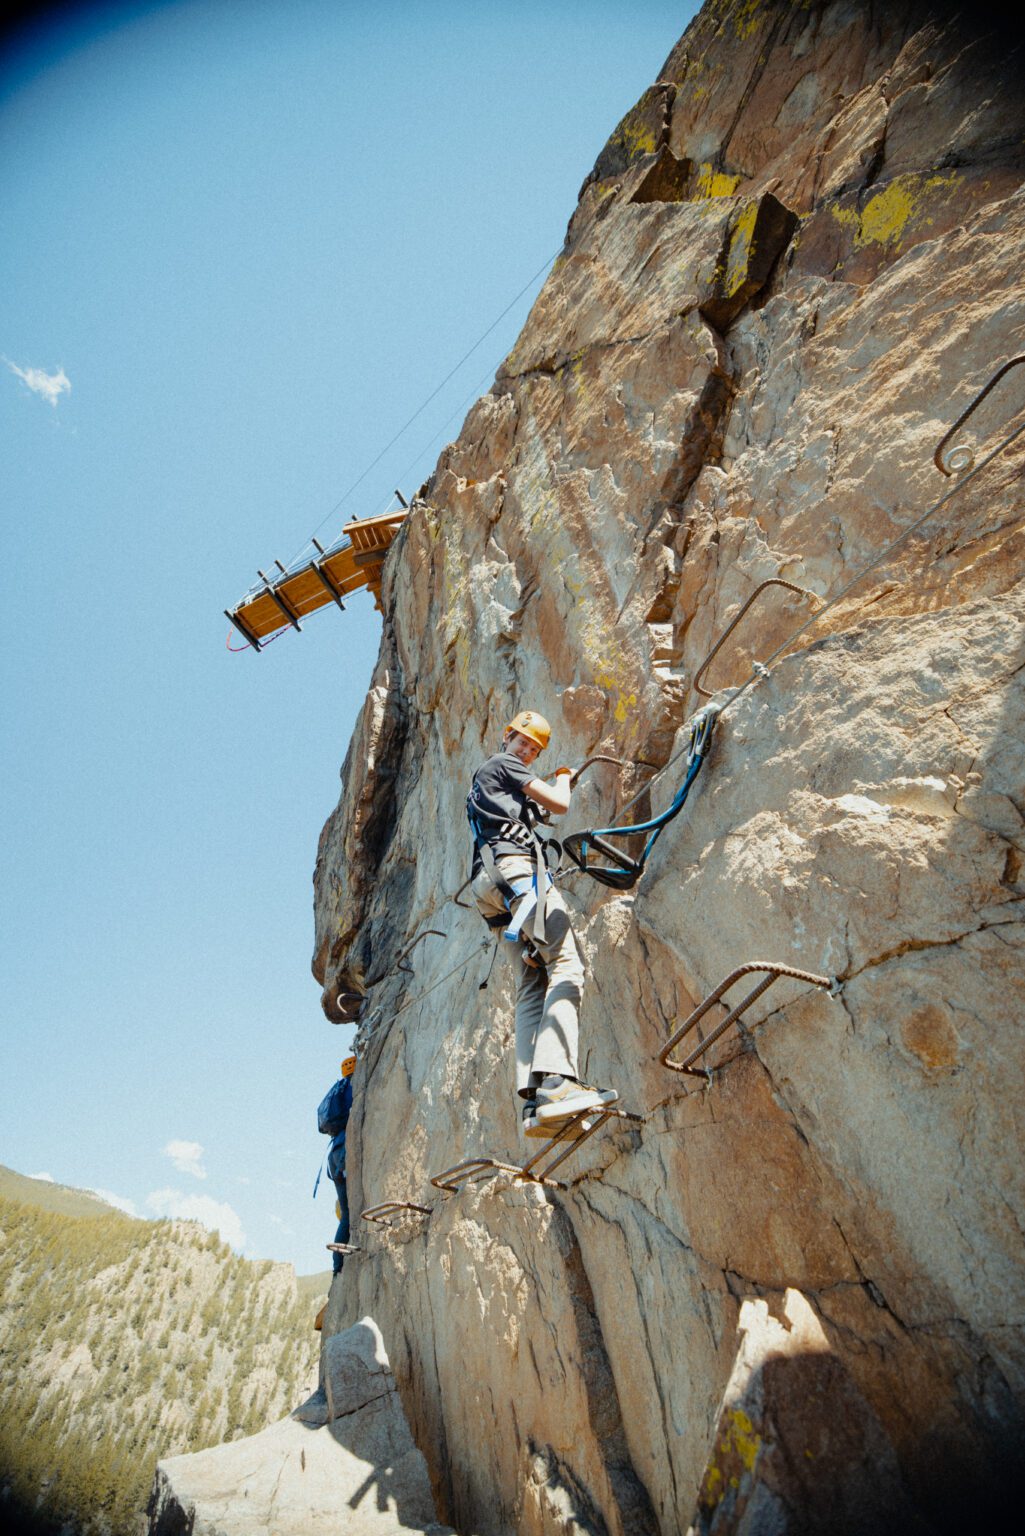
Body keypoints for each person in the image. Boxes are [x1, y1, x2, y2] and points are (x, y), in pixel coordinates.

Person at [467, 709, 617, 1136]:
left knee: (532, 980)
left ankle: (534, 1099)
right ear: (507, 737)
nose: (526, 752)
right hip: (517, 877)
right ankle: (557, 1082)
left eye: (533, 749)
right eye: (522, 742)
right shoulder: (502, 764)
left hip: (491, 889)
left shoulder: (490, 789)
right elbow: (561, 803)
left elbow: (536, 812)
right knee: (567, 965)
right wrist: (565, 775)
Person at [317, 1053, 356, 1274]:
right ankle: (338, 1264)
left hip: (335, 1155)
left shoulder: (340, 1089)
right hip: (344, 1155)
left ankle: (337, 1266)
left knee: (347, 1209)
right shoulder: (351, 1089)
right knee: (350, 1211)